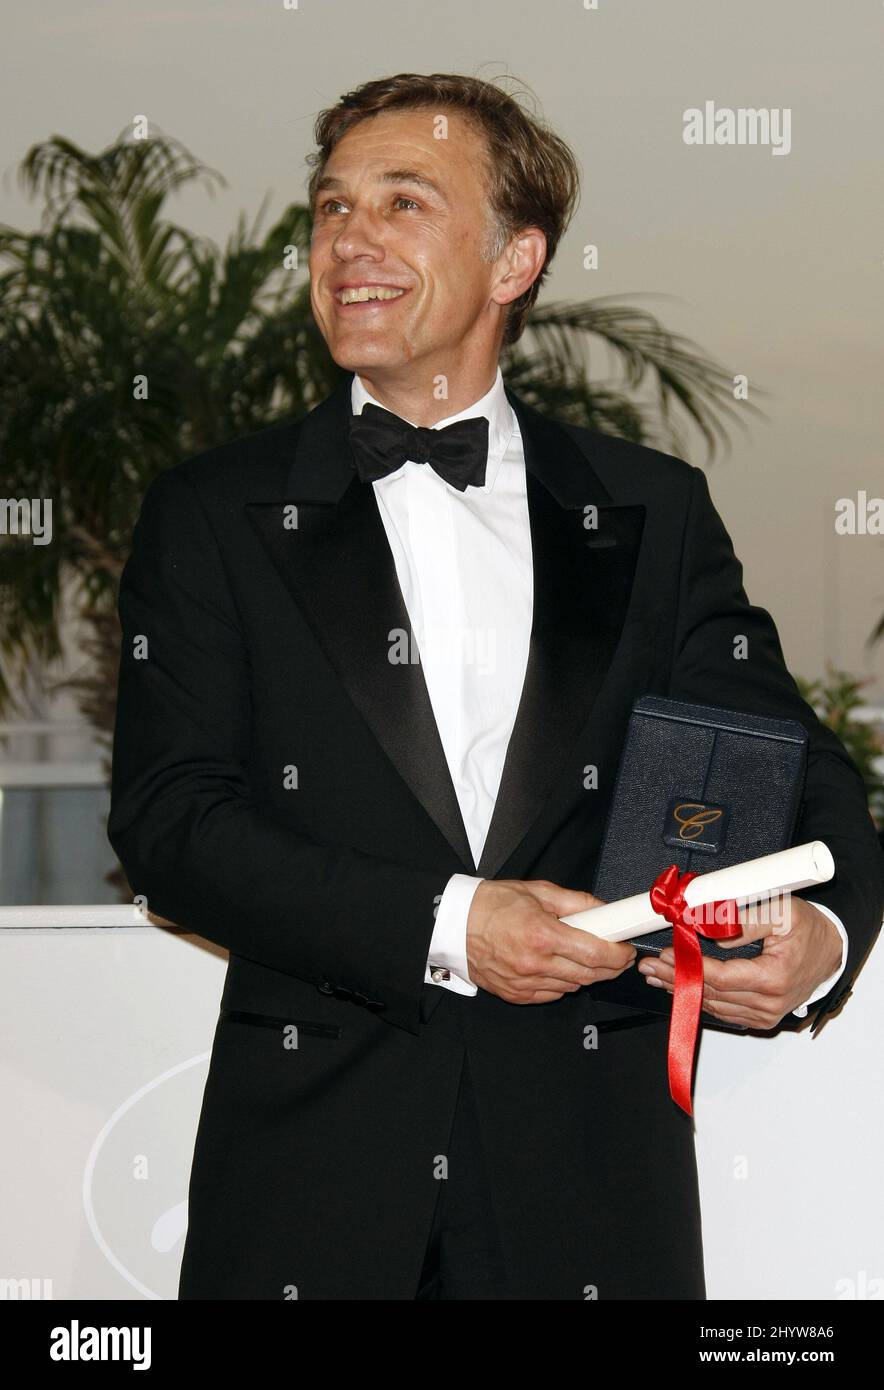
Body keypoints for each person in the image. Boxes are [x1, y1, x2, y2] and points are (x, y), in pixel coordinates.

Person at [107, 72, 884, 1300]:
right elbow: (170, 825)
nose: (347, 242)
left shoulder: (649, 509)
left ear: (514, 259)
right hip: (310, 1193)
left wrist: (821, 944)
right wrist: (450, 923)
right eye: (329, 208)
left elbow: (798, 767)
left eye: (401, 203)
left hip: (588, 1191)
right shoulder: (211, 514)